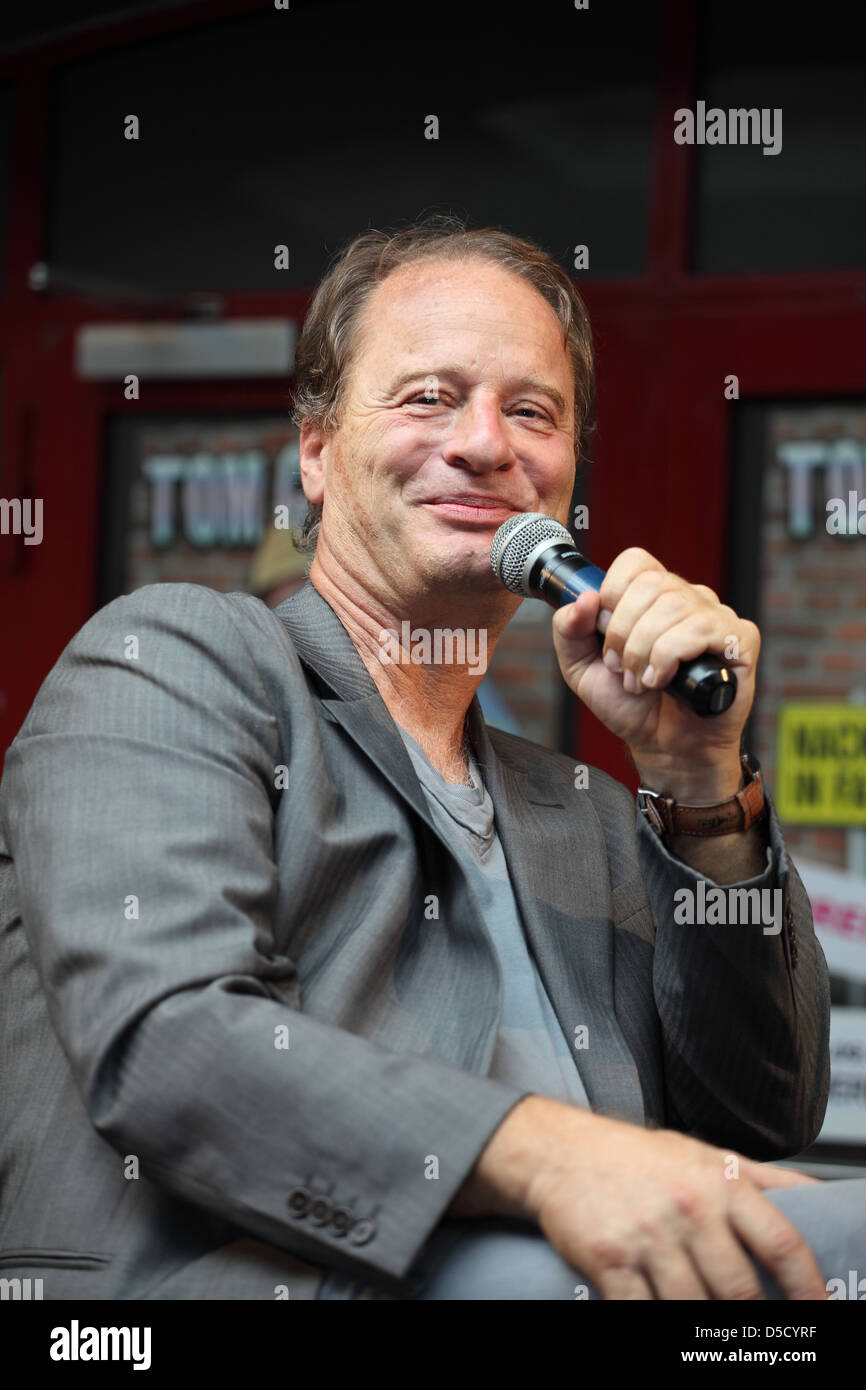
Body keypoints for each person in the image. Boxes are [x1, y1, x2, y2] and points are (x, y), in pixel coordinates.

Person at [0, 219, 858, 1302]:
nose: (484, 443)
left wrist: (699, 786)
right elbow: (169, 1038)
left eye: (531, 411)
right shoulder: (178, 659)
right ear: (315, 451)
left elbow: (757, 1113)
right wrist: (555, 1155)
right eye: (427, 397)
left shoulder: (586, 808)